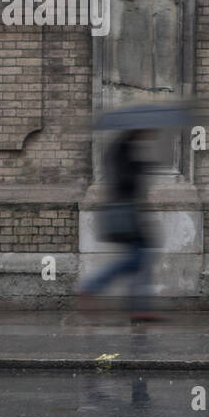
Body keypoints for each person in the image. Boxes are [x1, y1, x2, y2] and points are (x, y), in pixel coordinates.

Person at [77, 129, 161, 321]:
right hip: (126, 210)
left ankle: (139, 307)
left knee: (141, 257)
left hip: (129, 209)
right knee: (139, 257)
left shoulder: (124, 148)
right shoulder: (120, 150)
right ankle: (91, 287)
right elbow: (123, 180)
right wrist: (140, 167)